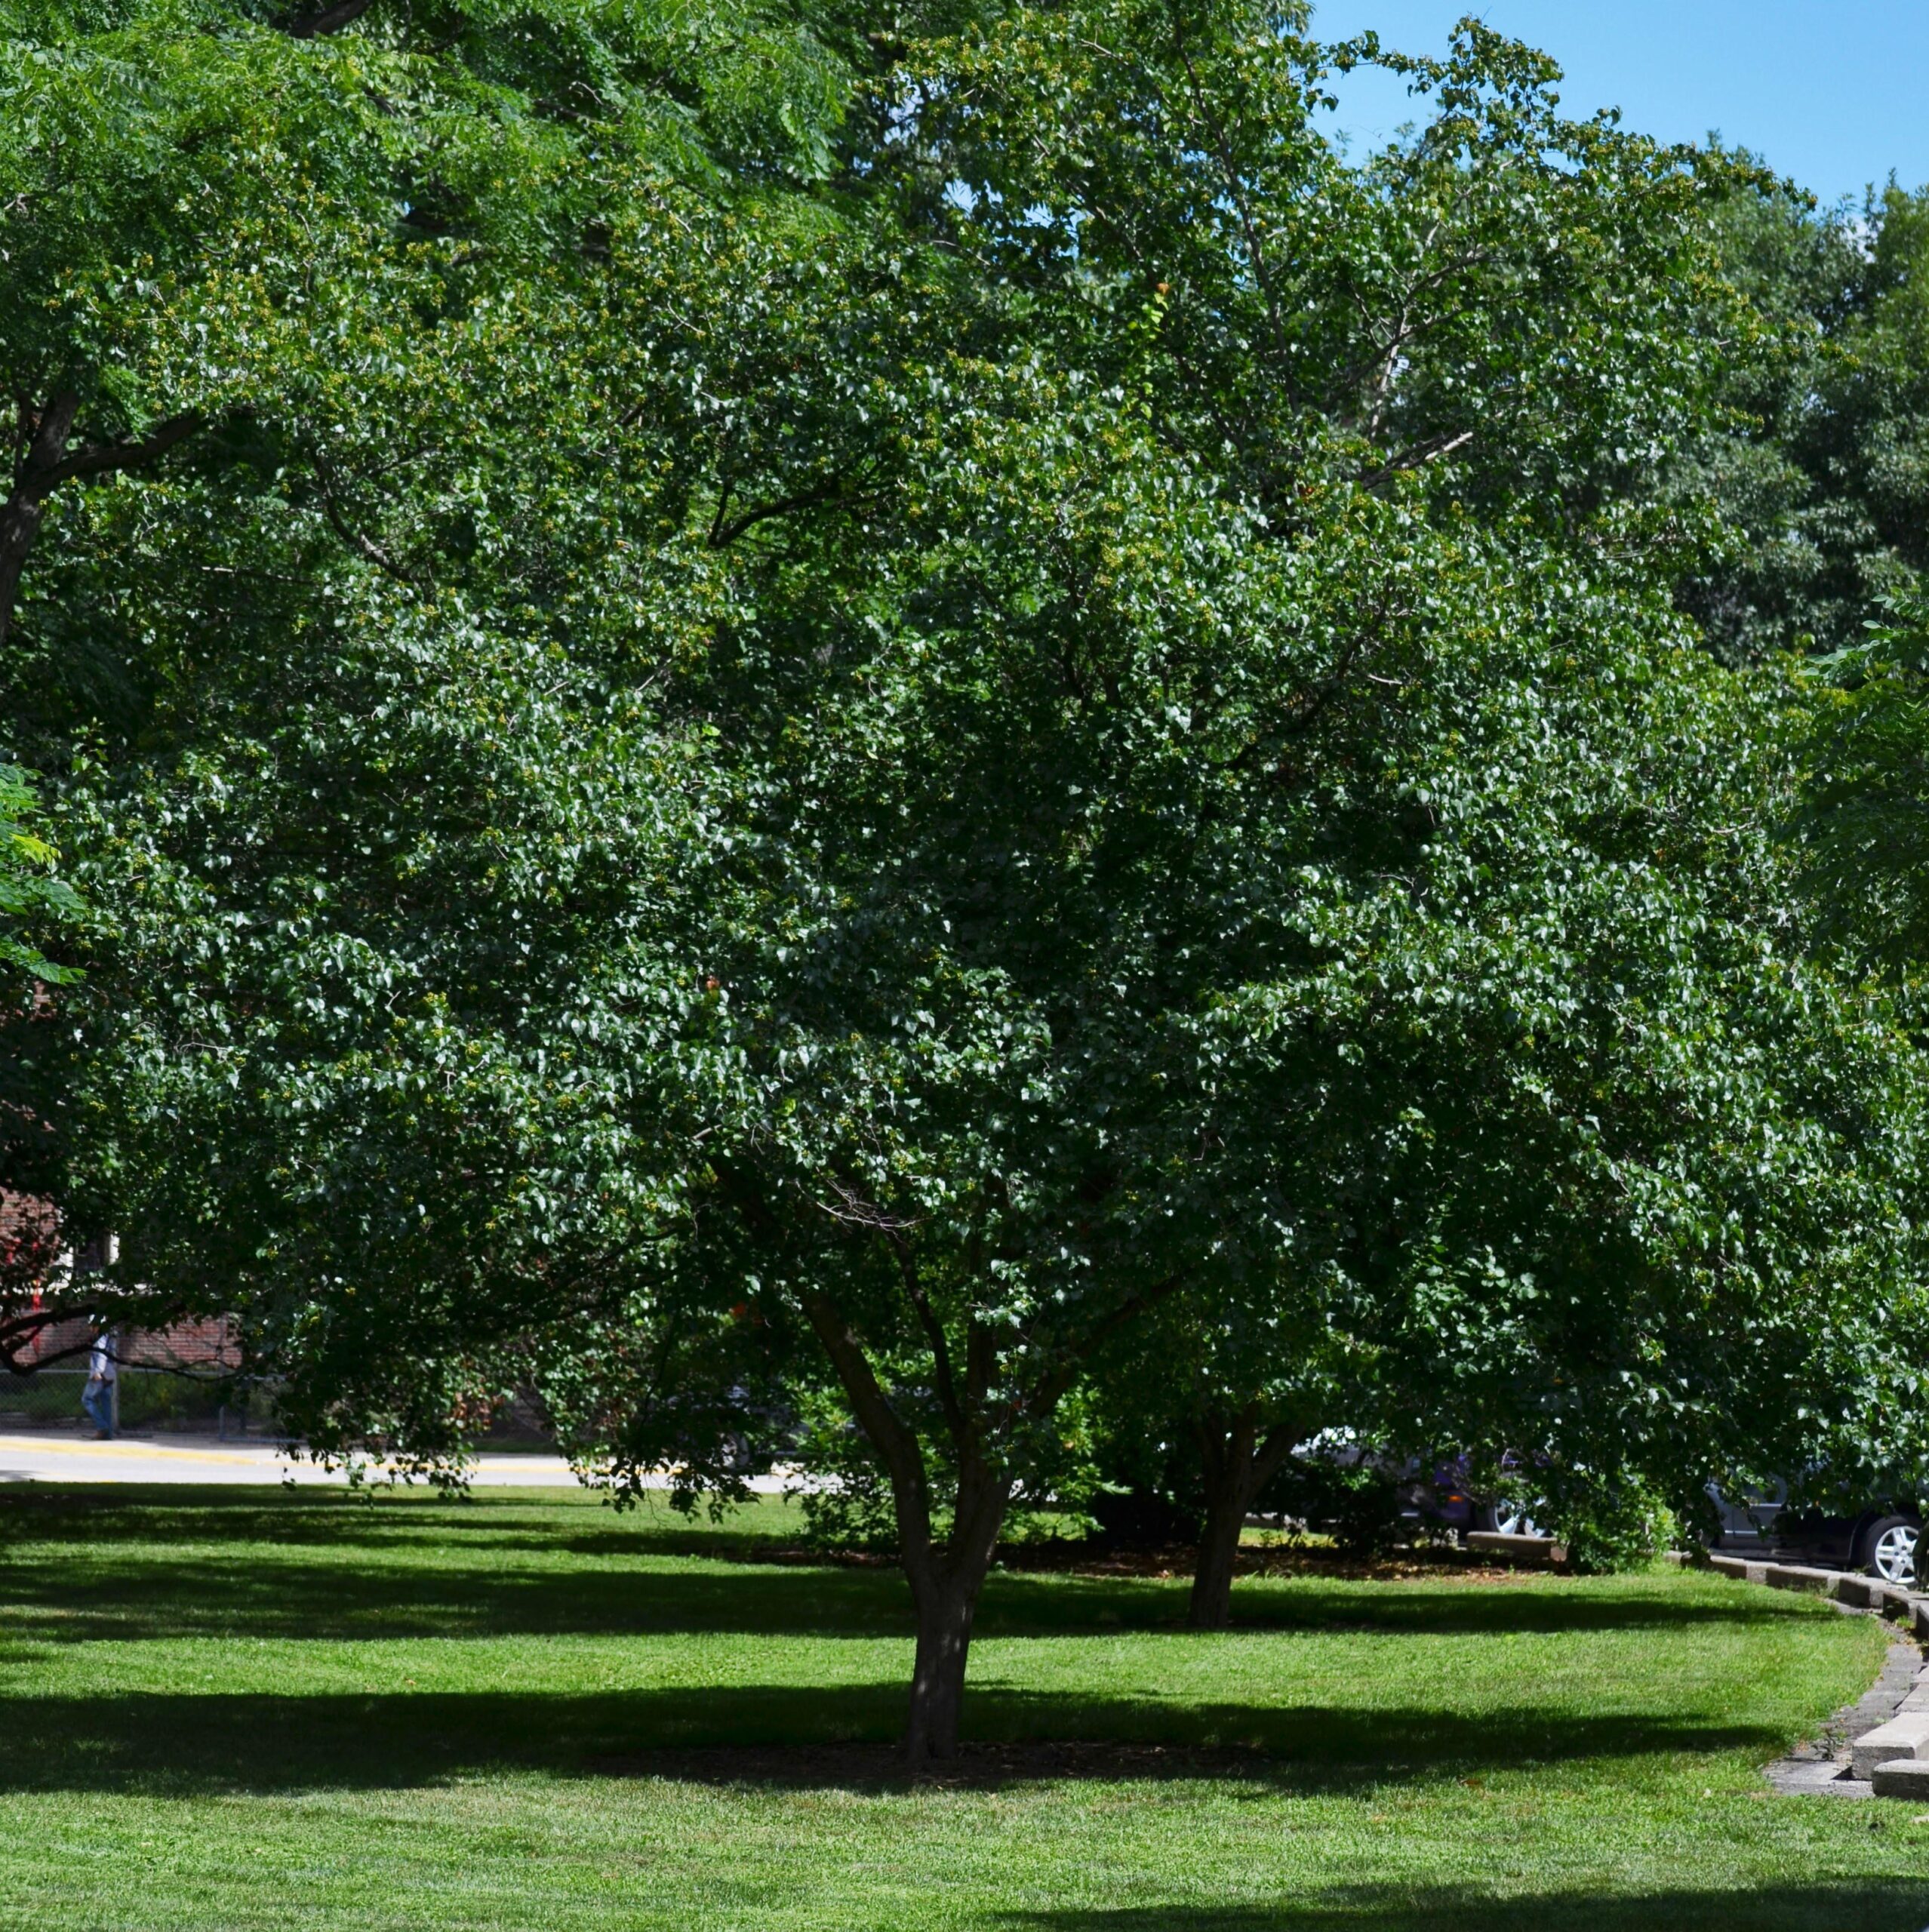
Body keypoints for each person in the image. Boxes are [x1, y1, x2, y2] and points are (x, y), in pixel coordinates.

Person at [82, 1330, 116, 1439]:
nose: (91, 1327)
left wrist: (98, 1371)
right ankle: (108, 1434)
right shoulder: (111, 1336)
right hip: (109, 1373)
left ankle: (102, 1427)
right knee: (106, 1403)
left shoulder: (102, 1337)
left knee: (87, 1399)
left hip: (100, 1374)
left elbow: (102, 1355)